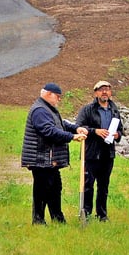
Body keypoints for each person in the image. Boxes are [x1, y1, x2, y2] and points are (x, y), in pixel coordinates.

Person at [21, 83, 87, 225]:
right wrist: (72, 137)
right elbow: (49, 131)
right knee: (42, 191)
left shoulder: (48, 110)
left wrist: (77, 129)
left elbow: (60, 124)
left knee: (55, 188)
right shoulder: (40, 110)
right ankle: (38, 220)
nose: (59, 99)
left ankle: (57, 218)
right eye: (58, 96)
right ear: (48, 94)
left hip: (49, 160)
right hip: (41, 159)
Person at [75, 81, 123, 222]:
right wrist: (95, 131)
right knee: (88, 184)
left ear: (110, 92)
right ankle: (86, 214)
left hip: (108, 153)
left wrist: (117, 135)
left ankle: (102, 214)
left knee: (104, 185)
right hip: (91, 153)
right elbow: (78, 127)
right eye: (101, 90)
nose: (104, 92)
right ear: (95, 93)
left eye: (107, 89)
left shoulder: (114, 110)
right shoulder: (88, 109)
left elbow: (121, 130)